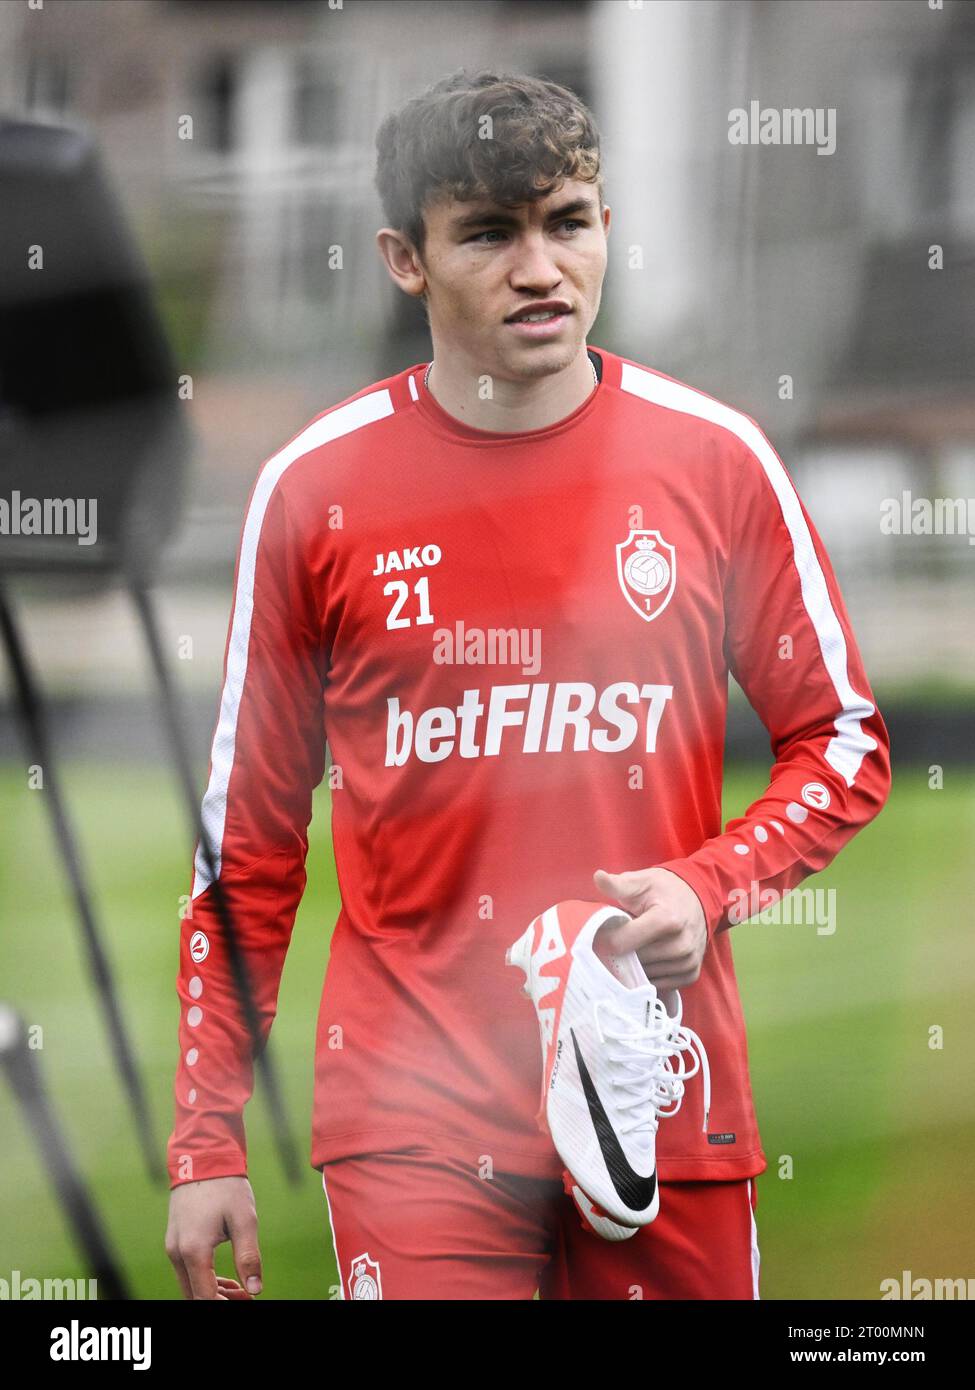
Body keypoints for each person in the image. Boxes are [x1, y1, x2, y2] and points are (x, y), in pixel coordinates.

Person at [165, 69, 891, 1301]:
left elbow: (845, 743)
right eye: (490, 233)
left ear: (607, 223)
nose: (541, 267)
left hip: (663, 1085)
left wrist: (706, 884)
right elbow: (249, 844)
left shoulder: (716, 464)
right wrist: (205, 1133)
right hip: (413, 1112)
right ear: (406, 259)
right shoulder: (312, 491)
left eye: (569, 220)